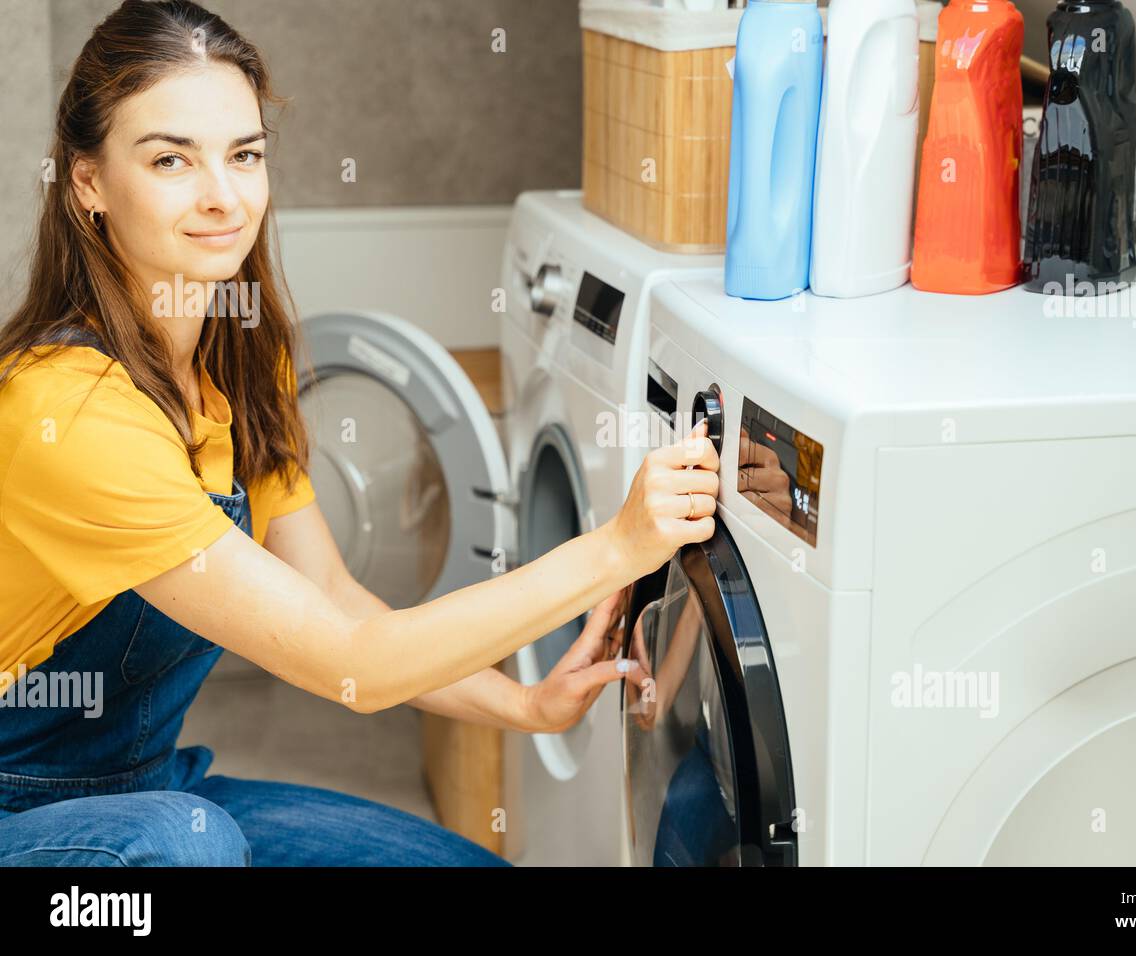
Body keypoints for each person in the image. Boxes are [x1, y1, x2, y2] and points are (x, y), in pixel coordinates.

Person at [0, 0, 720, 866]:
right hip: (23, 808)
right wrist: (618, 548)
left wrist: (522, 708)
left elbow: (338, 604)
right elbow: (359, 663)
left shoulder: (237, 363)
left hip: (146, 783)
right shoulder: (70, 415)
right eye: (169, 160)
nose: (222, 197)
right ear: (87, 182)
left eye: (244, 155)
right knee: (179, 854)